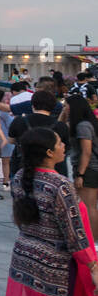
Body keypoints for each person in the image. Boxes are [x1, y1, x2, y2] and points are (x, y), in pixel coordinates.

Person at [4, 128, 98, 296]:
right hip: (54, 265)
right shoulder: (60, 186)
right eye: (59, 143)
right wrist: (92, 265)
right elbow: (75, 233)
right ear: (48, 153)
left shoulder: (21, 176)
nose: (62, 146)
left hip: (27, 255)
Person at [9, 90, 71, 179]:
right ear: (53, 106)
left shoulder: (19, 121)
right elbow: (66, 148)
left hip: (22, 167)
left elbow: (11, 140)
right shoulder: (60, 126)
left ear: (32, 104)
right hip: (53, 171)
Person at [66, 95, 98, 230]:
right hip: (90, 168)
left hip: (89, 169)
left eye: (66, 106)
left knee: (88, 206)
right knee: (89, 206)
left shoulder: (83, 126)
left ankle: (94, 242)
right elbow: (60, 127)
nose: (64, 108)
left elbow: (86, 152)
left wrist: (80, 174)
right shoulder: (85, 123)